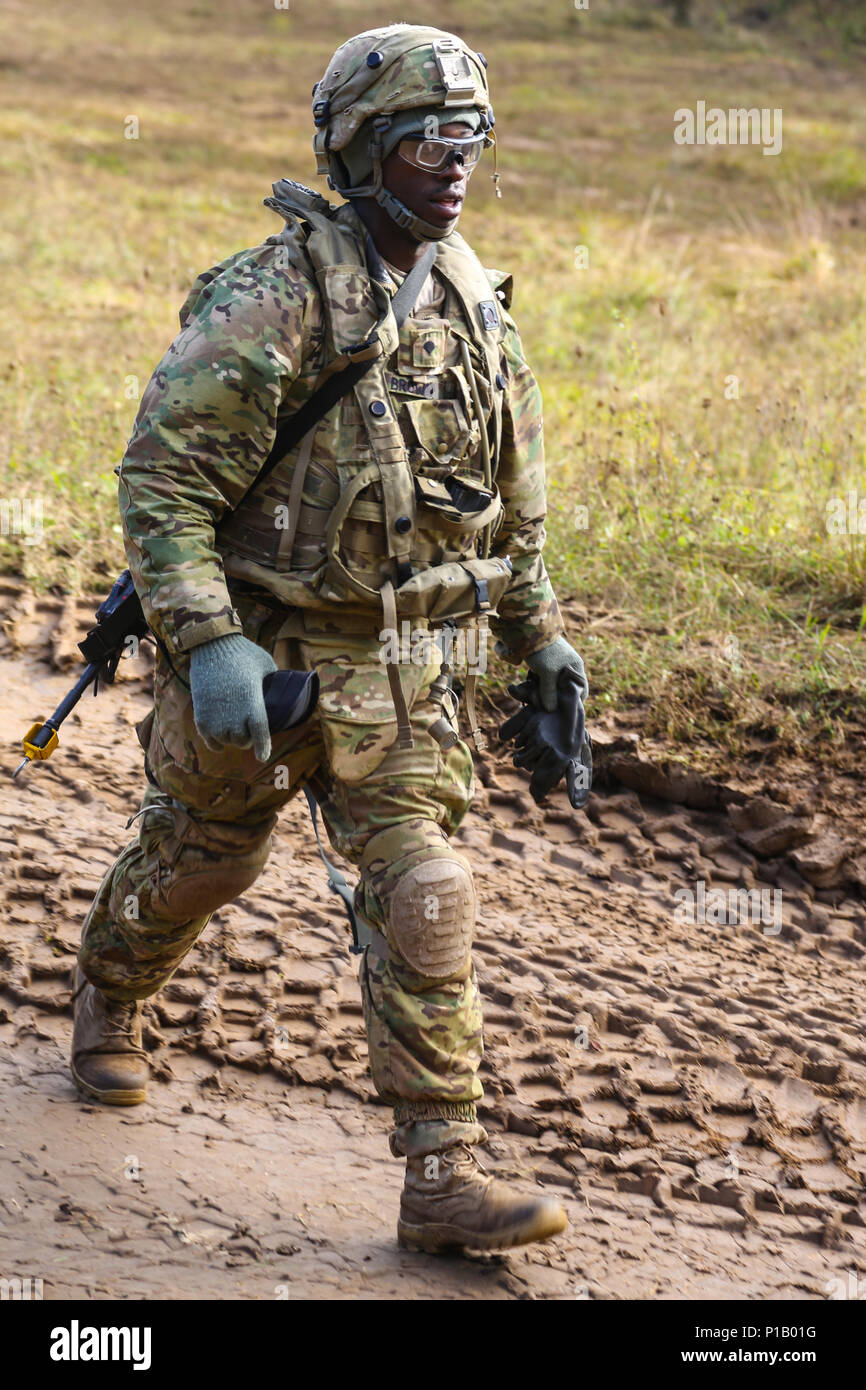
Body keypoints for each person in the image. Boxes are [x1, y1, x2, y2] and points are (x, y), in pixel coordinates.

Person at [71, 22, 588, 1255]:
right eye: (423, 141)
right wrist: (204, 643)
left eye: (467, 139)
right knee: (204, 862)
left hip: (406, 667)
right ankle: (108, 990)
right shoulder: (272, 294)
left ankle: (441, 1176)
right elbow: (163, 484)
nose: (452, 163)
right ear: (362, 149)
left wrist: (544, 642)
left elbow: (510, 502)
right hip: (263, 654)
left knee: (426, 892)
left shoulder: (475, 303)